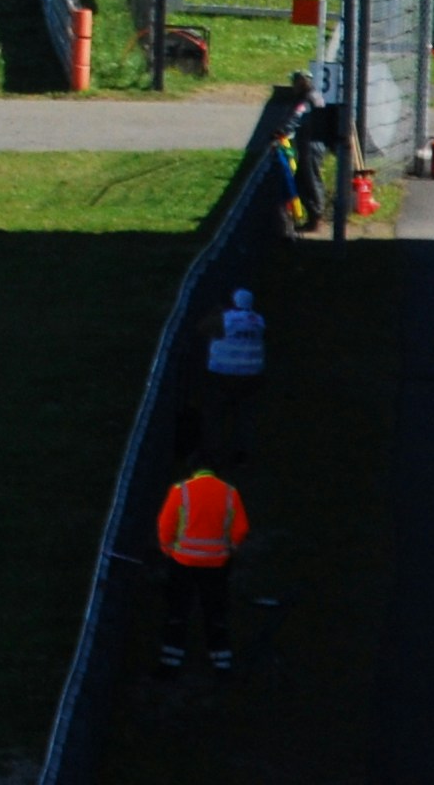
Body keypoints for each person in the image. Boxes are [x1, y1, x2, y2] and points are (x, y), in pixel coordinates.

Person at [154, 452, 248, 675]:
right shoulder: (230, 493)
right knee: (216, 613)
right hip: (217, 564)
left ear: (193, 469)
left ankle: (170, 663)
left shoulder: (181, 491)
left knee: (178, 612)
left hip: (183, 563)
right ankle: (221, 664)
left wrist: (168, 549)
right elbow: (241, 528)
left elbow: (166, 525)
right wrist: (230, 548)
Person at [202, 285, 266, 463]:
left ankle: (213, 454)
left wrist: (215, 312)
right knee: (244, 417)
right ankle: (242, 454)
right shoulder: (259, 321)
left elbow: (203, 328)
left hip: (223, 375)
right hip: (251, 377)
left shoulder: (224, 319)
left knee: (215, 415)